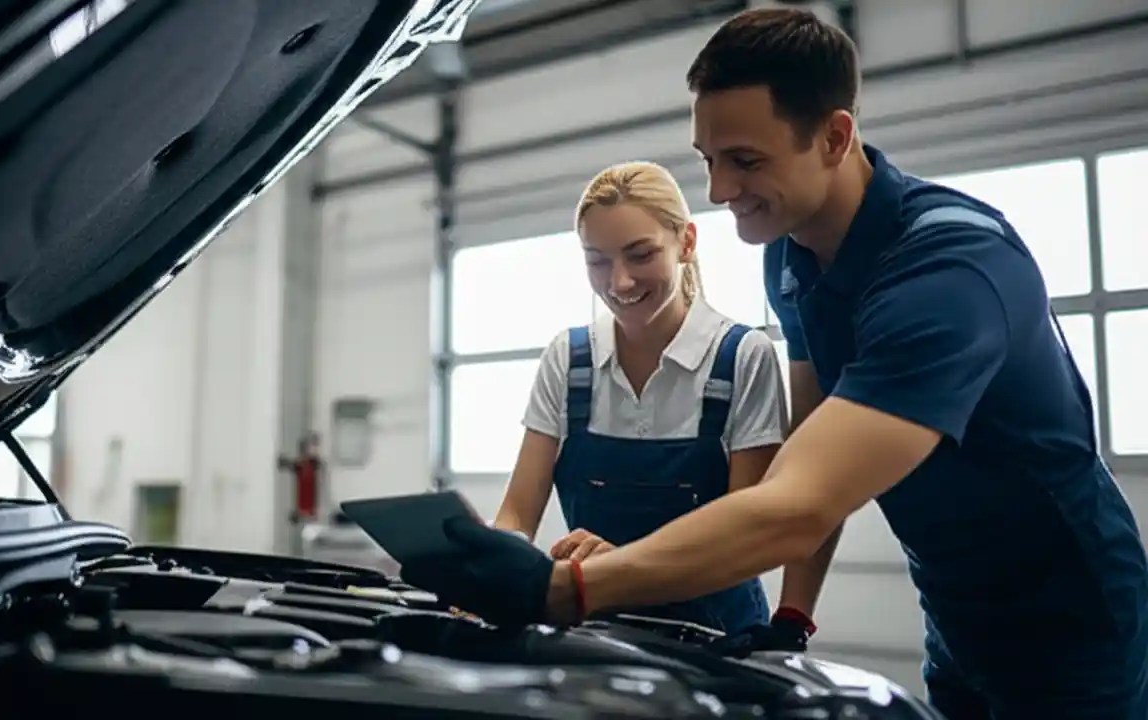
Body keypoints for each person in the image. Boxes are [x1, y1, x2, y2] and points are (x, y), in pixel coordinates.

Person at [399, 7, 1148, 719]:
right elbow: (812, 440)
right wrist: (795, 612)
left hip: (1073, 619)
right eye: (709, 161)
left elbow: (797, 504)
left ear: (834, 136)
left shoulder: (950, 273)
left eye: (746, 161)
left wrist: (564, 591)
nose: (721, 192)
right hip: (954, 606)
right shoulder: (791, 257)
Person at [488, 160, 819, 644]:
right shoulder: (568, 359)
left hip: (718, 642)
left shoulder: (742, 358)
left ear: (686, 242)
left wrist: (615, 565)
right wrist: (496, 559)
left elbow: (745, 539)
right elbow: (517, 513)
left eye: (640, 255)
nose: (618, 283)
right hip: (600, 635)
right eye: (597, 261)